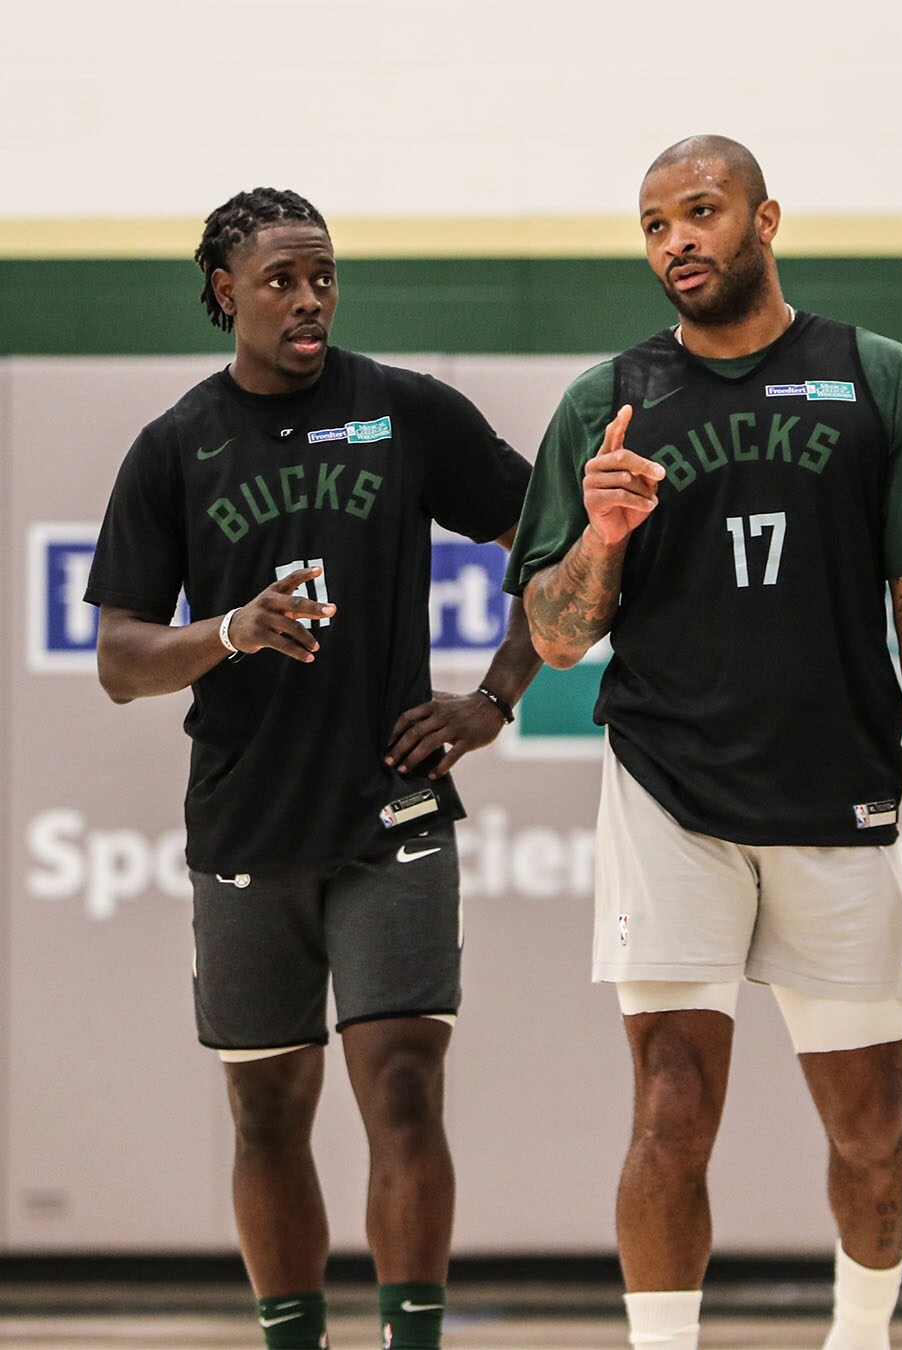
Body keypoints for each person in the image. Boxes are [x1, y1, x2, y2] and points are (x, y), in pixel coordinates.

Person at [504, 135, 902, 1350]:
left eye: (702, 212)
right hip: (668, 791)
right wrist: (603, 538)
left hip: (835, 792)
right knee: (671, 1106)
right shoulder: (606, 402)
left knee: (871, 1129)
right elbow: (556, 639)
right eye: (655, 224)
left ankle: (861, 1335)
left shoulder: (880, 379)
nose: (677, 241)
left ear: (766, 219)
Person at [84, 187, 540, 1350]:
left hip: (391, 816)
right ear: (223, 291)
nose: (308, 299)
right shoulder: (176, 447)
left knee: (400, 1088)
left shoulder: (401, 411)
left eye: (324, 276)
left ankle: (412, 1339)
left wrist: (494, 699)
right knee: (267, 1115)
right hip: (246, 823)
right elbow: (123, 660)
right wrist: (229, 632)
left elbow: (548, 544)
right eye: (281, 279)